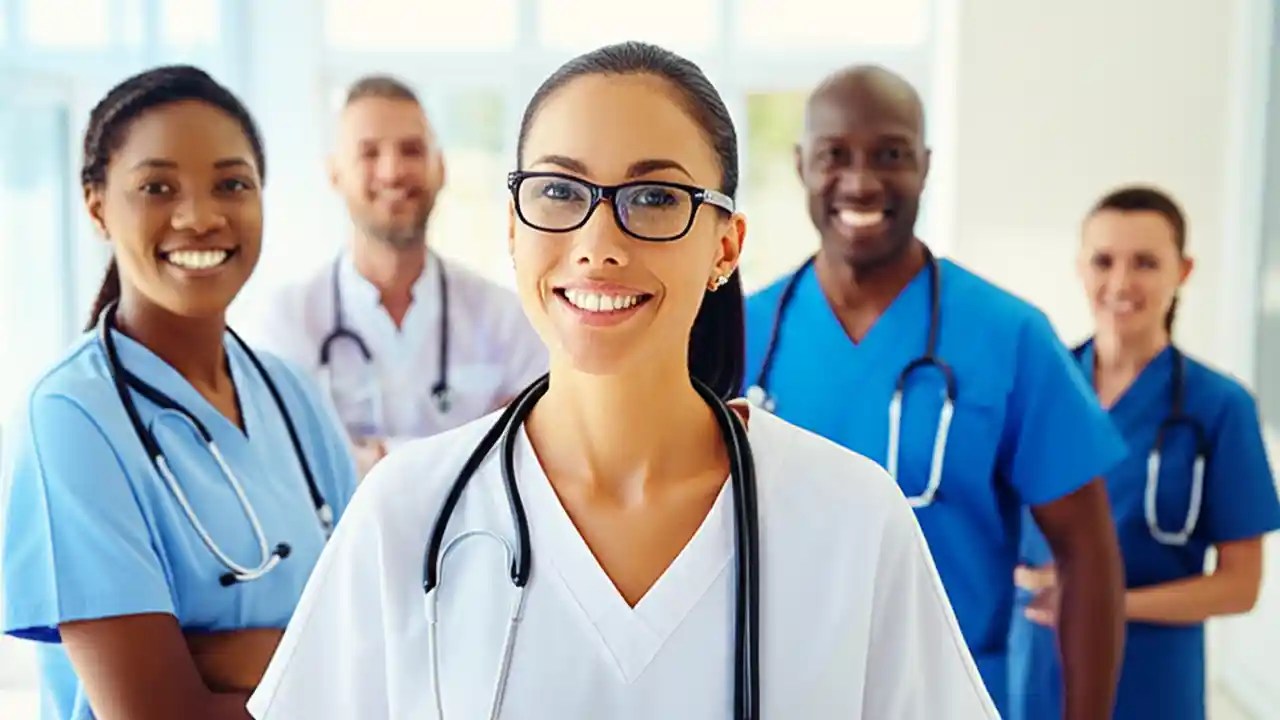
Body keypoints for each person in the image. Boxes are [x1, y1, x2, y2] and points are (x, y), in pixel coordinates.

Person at [245, 42, 998, 719]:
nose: (598, 244)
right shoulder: (406, 514)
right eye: (559, 193)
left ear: (726, 246)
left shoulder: (854, 520)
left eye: (656, 199)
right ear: (512, 227)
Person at [741, 64, 1129, 717]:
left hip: (951, 693)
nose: (861, 181)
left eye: (889, 155)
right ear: (801, 163)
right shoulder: (740, 334)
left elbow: (1086, 551)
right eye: (835, 155)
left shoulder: (1008, 336)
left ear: (924, 166)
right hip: (776, 692)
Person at [0, 66, 358, 720]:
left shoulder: (291, 395)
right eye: (157, 187)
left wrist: (229, 659)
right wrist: (314, 664)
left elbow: (381, 641)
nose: (200, 216)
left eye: (232, 183)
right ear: (97, 205)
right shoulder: (72, 417)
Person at [1009, 186, 1280, 720]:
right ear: (1080, 269)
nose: (1120, 283)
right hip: (1037, 671)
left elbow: (1240, 586)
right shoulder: (1038, 387)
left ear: (1183, 271)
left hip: (1153, 681)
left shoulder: (1219, 407)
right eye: (1103, 261)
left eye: (1146, 263)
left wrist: (1100, 606)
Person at [238, 74, 547, 478]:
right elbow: (290, 460)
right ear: (334, 173)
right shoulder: (287, 319)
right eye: (369, 153)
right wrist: (469, 446)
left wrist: (372, 458)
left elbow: (535, 449)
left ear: (440, 168)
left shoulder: (505, 317)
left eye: (412, 151)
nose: (392, 171)